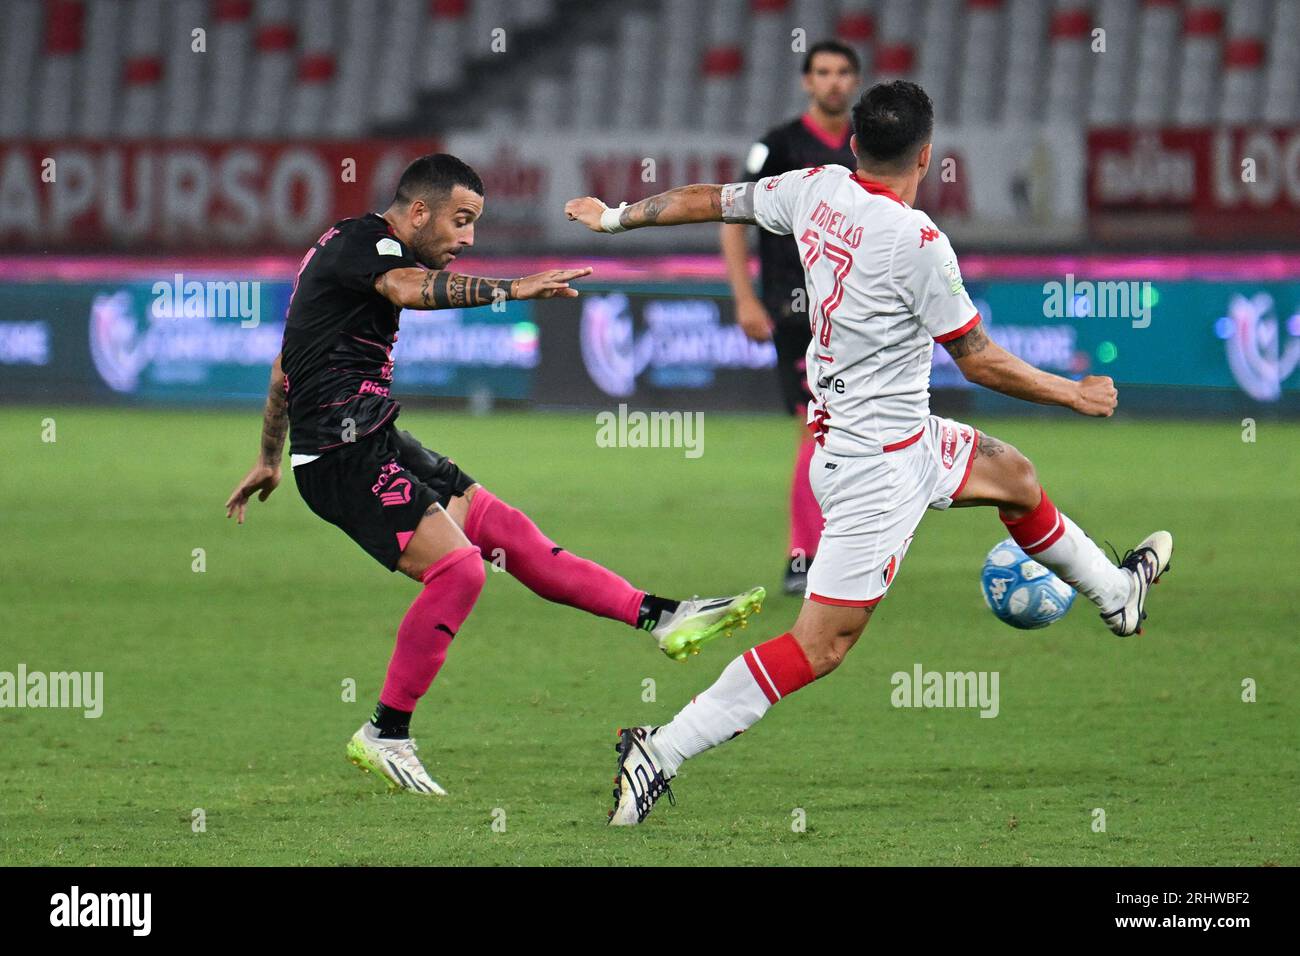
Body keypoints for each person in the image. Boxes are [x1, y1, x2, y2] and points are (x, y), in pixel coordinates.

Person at [564, 82, 1172, 825]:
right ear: (926, 155)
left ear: (853, 146)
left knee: (1014, 476)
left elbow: (713, 198)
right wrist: (1073, 394)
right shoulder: (919, 244)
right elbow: (977, 360)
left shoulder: (814, 190)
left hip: (897, 435)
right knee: (819, 648)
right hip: (874, 468)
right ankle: (657, 751)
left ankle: (1116, 596)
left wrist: (616, 217)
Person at [225, 154, 764, 797]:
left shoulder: (344, 252)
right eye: (460, 221)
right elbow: (405, 290)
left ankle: (661, 616)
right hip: (342, 459)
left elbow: (288, 365)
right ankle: (385, 732)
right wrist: (511, 288)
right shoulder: (367, 245)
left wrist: (267, 455)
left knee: (505, 531)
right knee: (459, 570)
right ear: (417, 212)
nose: (467, 238)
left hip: (375, 437)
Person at [721, 39, 860, 594]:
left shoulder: (869, 145)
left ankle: (849, 548)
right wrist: (745, 297)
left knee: (856, 431)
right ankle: (802, 557)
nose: (833, 82)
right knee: (819, 426)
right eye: (822, 72)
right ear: (807, 80)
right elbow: (732, 214)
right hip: (797, 309)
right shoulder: (775, 146)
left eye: (843, 72)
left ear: (854, 81)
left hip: (858, 310)